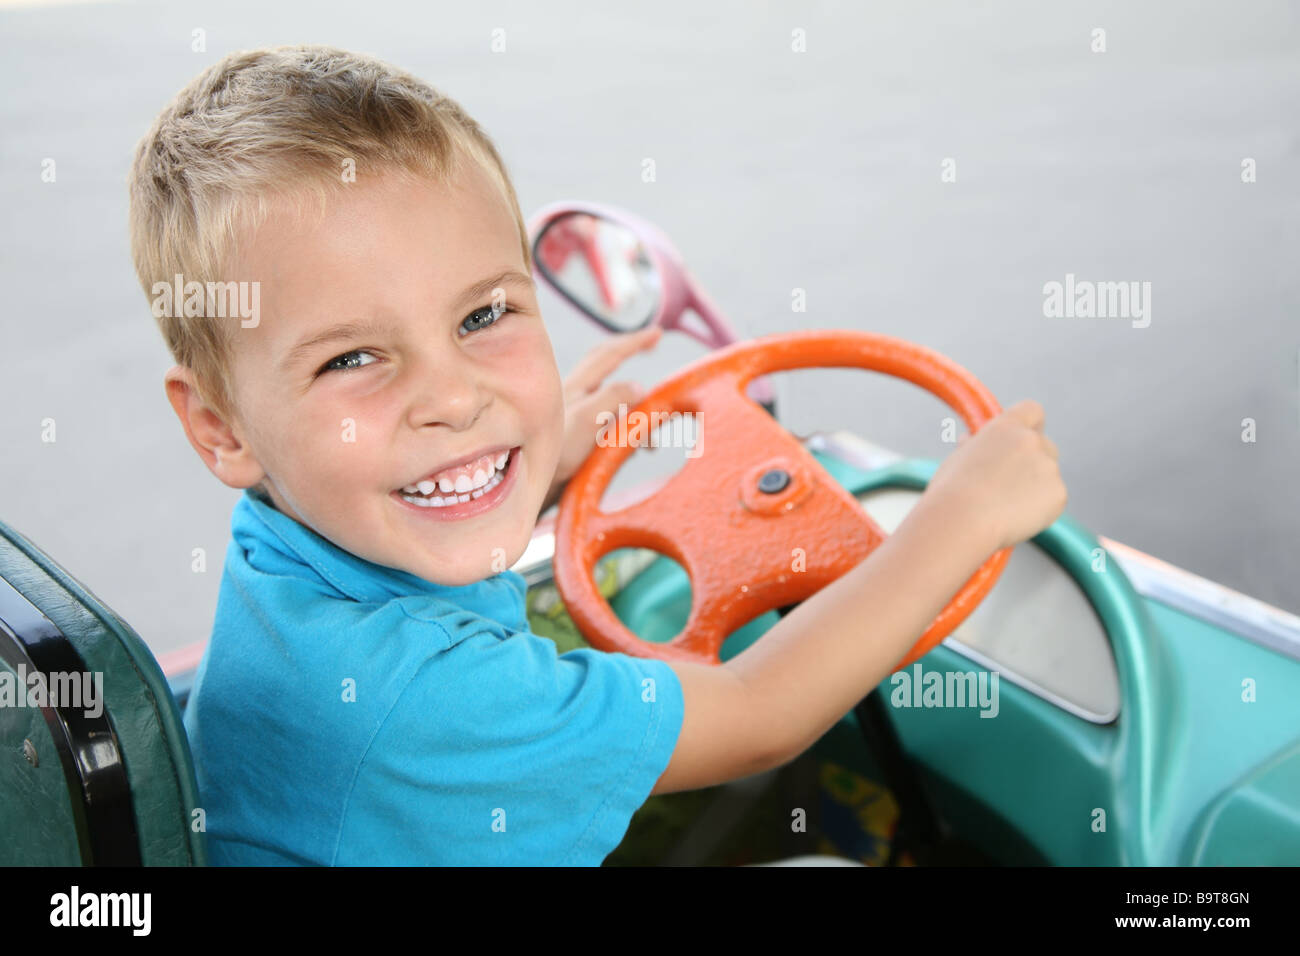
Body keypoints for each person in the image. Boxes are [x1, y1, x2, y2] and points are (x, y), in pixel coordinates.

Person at [127, 45, 1066, 865]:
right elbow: (759, 713)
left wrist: (538, 460)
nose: (456, 398)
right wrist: (960, 516)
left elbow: (392, 497)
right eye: (352, 358)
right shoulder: (433, 704)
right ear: (221, 429)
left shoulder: (282, 550)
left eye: (484, 317)